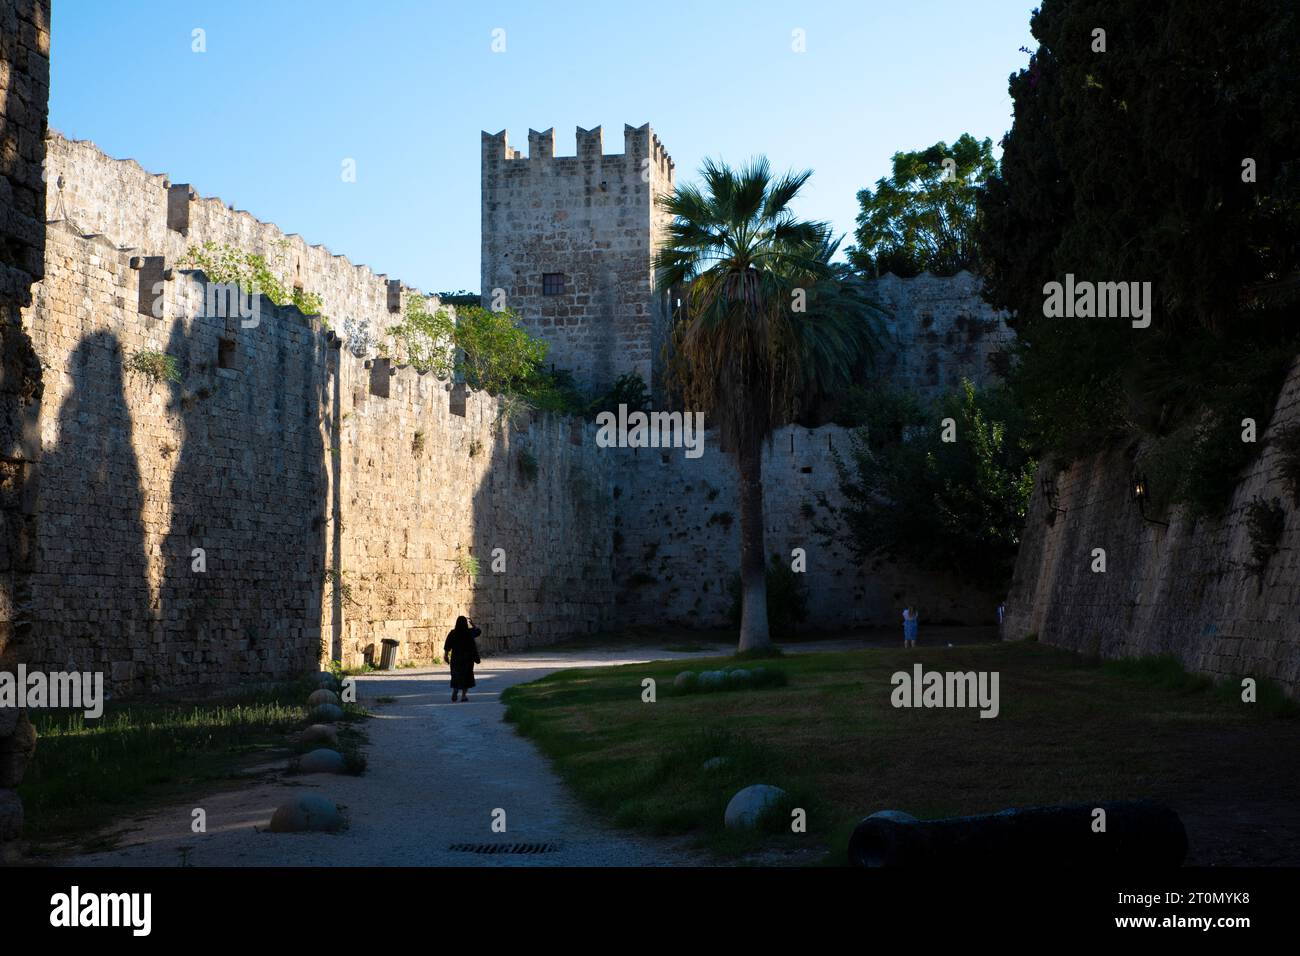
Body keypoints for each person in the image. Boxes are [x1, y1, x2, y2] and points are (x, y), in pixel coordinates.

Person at [444, 615, 482, 702]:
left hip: (456, 658)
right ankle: (463, 696)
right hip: (467, 659)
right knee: (467, 676)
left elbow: (447, 645)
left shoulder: (453, 633)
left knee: (456, 675)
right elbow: (479, 631)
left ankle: (455, 689)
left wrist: (446, 655)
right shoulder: (470, 632)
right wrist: (473, 624)